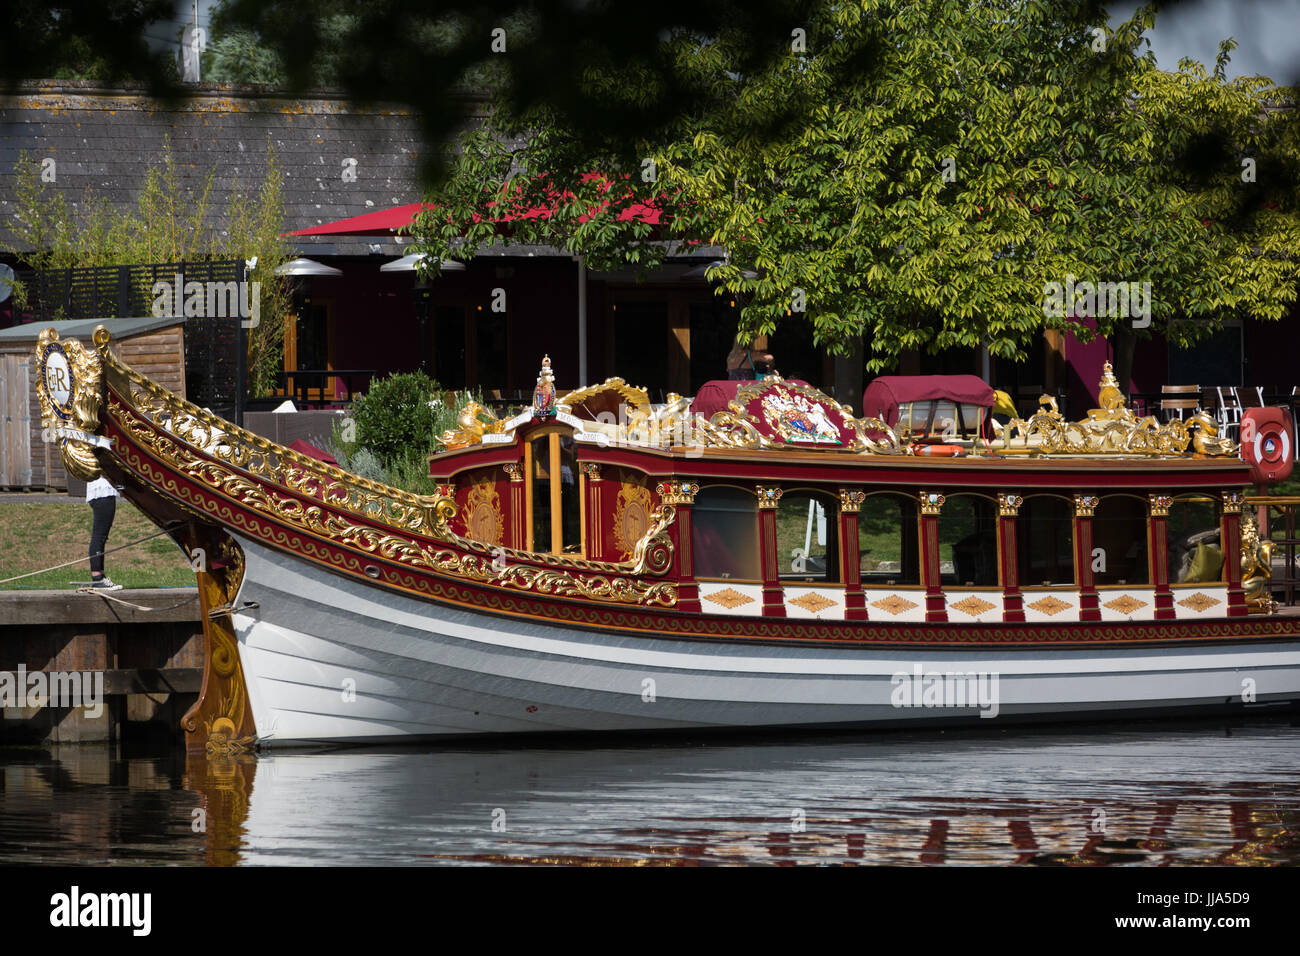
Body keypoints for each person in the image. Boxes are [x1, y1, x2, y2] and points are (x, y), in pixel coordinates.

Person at [86, 476, 122, 590]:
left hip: (103, 492)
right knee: (99, 536)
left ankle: (100, 576)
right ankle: (97, 578)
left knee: (102, 537)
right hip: (102, 492)